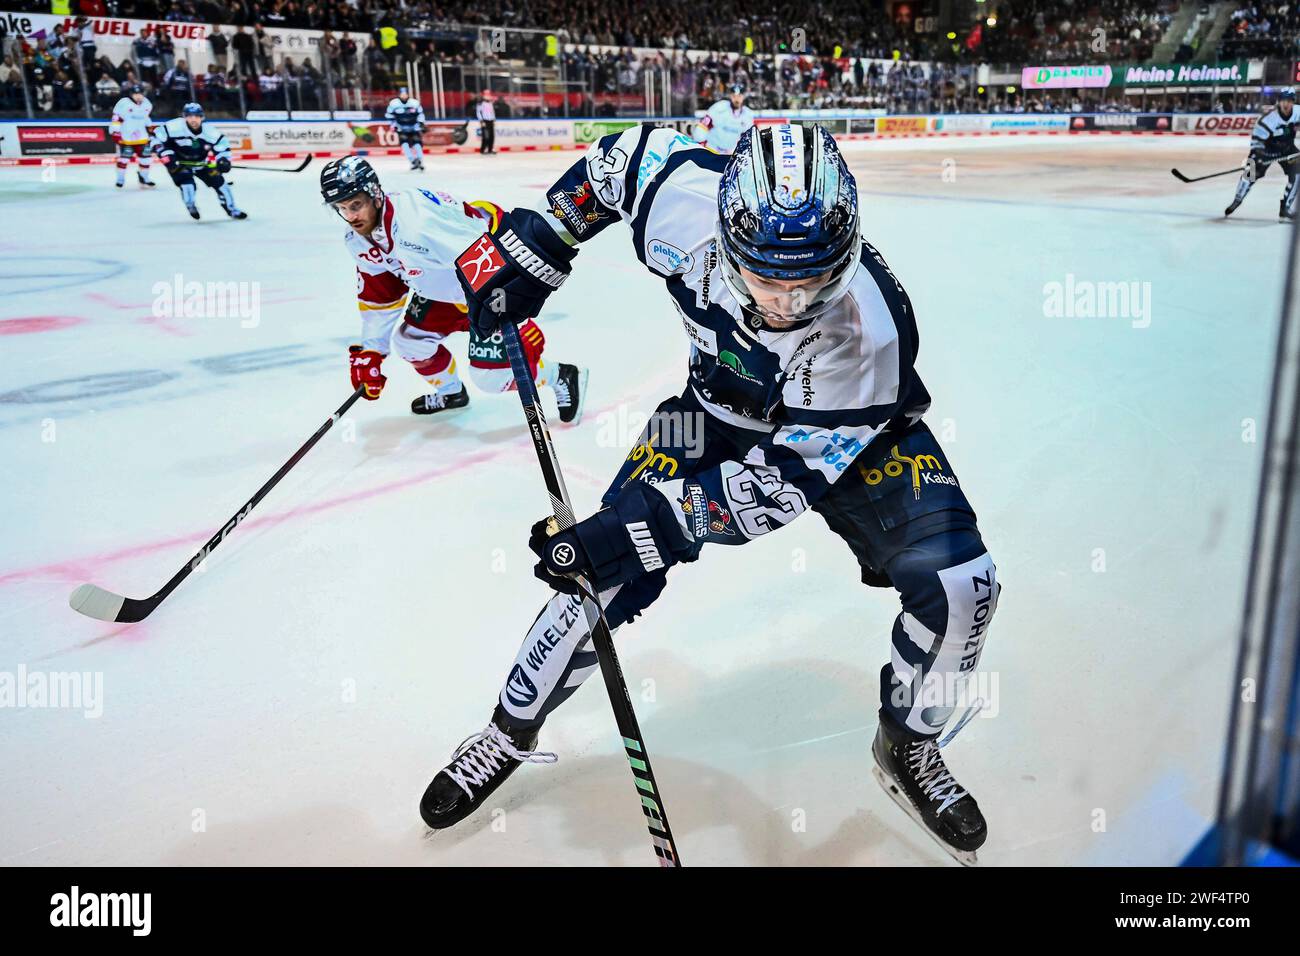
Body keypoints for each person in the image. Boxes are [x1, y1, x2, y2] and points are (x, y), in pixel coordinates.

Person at [423, 123, 1000, 866]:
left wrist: (636, 529)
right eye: (766, 278)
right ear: (726, 239)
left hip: (850, 437)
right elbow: (614, 164)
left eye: (815, 280)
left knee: (963, 584)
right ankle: (507, 731)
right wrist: (536, 247)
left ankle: (908, 745)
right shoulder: (683, 196)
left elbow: (777, 486)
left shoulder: (870, 334)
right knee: (588, 579)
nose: (789, 303)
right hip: (715, 413)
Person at [319, 156, 586, 419]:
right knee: (410, 343)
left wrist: (509, 309)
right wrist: (372, 350)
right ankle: (451, 393)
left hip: (485, 290)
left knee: (491, 379)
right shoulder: (359, 240)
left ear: (375, 195)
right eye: (342, 208)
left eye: (356, 205)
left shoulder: (417, 225)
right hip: (443, 289)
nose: (351, 217)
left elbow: (488, 256)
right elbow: (380, 295)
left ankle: (559, 374)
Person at [150, 102, 247, 221]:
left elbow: (222, 146)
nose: (193, 119)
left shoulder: (210, 132)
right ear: (184, 117)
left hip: (203, 163)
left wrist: (223, 160)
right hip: (178, 165)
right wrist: (168, 158)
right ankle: (190, 205)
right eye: (190, 116)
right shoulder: (172, 127)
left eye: (196, 116)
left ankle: (232, 210)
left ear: (202, 117)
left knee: (222, 185)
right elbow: (156, 141)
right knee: (188, 186)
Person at [1226, 87, 1300, 221]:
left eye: (1289, 101)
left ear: (1293, 102)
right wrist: (1258, 156)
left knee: (1298, 174)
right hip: (1265, 149)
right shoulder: (1268, 119)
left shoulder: (1298, 112)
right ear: (1279, 102)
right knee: (1249, 174)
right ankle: (1237, 199)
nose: (1286, 104)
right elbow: (1256, 141)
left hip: (1287, 149)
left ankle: (1285, 207)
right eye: (1283, 100)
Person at [109, 83, 155, 189]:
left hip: (142, 137)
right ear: (131, 94)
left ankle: (144, 178)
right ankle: (120, 179)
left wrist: (150, 129)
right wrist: (115, 132)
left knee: (146, 159)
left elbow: (146, 118)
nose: (138, 96)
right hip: (126, 138)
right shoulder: (124, 103)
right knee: (123, 160)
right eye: (135, 94)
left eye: (140, 93)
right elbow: (116, 118)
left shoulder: (147, 104)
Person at [693, 83, 754, 154]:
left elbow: (747, 138)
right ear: (730, 96)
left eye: (739, 96)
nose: (736, 99)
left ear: (743, 97)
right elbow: (703, 126)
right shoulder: (719, 107)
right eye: (734, 96)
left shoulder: (748, 115)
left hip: (729, 153)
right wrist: (700, 144)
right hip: (711, 149)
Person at [385, 85, 425, 171]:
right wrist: (393, 126)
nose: (404, 96)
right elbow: (389, 116)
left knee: (417, 142)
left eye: (405, 94)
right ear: (399, 94)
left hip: (414, 127)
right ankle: (412, 160)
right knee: (404, 143)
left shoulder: (414, 103)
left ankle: (419, 160)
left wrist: (421, 123)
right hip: (401, 128)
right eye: (402, 94)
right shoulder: (393, 103)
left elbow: (420, 114)